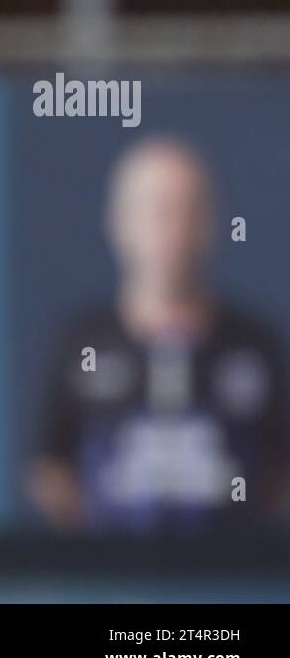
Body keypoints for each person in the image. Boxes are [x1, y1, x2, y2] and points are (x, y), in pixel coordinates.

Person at [29, 137, 289, 534]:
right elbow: (49, 469)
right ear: (118, 221)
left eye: (188, 210)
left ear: (210, 222)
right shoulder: (81, 344)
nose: (172, 230)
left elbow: (280, 472)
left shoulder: (254, 347)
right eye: (156, 210)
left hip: (231, 585)